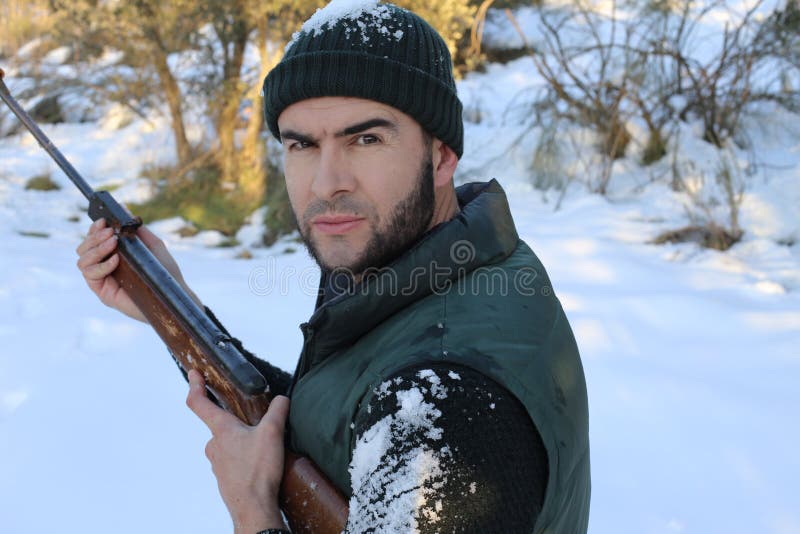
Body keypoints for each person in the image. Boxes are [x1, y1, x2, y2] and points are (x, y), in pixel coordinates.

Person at [75, 1, 590, 532]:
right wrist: (169, 304)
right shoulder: (439, 270)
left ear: (441, 155)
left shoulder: (446, 409)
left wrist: (252, 508)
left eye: (366, 139)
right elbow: (326, 429)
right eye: (302, 145)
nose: (327, 183)